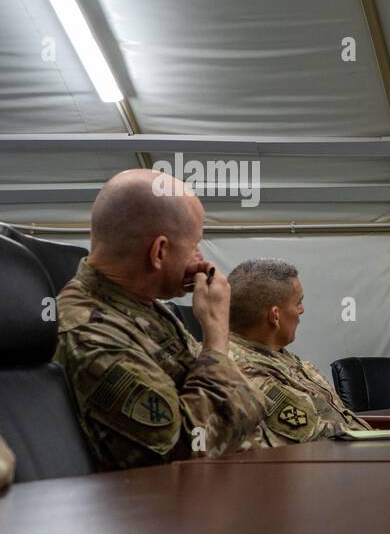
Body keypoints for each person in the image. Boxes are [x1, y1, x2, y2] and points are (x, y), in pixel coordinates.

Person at [56, 169, 265, 469]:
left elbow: (249, 401)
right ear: (159, 252)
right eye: (194, 245)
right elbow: (187, 447)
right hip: (167, 507)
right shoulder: (89, 334)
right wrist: (216, 334)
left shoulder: (142, 307)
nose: (200, 259)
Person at [227, 259, 369, 444]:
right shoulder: (246, 372)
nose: (301, 310)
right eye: (298, 302)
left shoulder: (276, 354)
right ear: (275, 315)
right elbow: (319, 437)